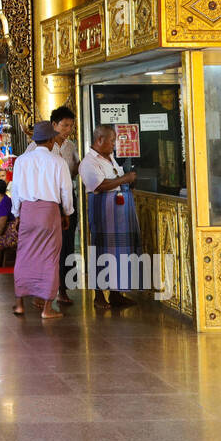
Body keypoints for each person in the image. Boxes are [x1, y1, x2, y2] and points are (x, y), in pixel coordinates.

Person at [11, 122, 74, 319]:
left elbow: (16, 191)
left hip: (28, 210)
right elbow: (66, 190)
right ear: (50, 139)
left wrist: (17, 213)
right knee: (50, 257)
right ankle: (47, 308)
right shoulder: (58, 162)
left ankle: (20, 304)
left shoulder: (21, 161)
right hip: (49, 212)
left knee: (24, 255)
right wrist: (67, 213)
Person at [79, 124, 141, 308]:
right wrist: (126, 179)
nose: (114, 144)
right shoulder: (89, 162)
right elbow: (99, 185)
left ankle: (116, 293)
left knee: (120, 252)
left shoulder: (110, 159)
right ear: (100, 140)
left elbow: (114, 178)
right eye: (112, 141)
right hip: (104, 211)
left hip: (119, 212)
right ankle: (99, 296)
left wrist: (127, 179)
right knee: (101, 250)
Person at [49, 106, 80, 303]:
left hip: (68, 198)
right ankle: (45, 290)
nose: (68, 129)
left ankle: (63, 289)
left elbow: (75, 171)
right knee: (51, 246)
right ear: (54, 125)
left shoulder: (71, 147)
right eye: (64, 125)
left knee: (67, 244)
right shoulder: (40, 147)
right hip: (50, 200)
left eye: (71, 125)